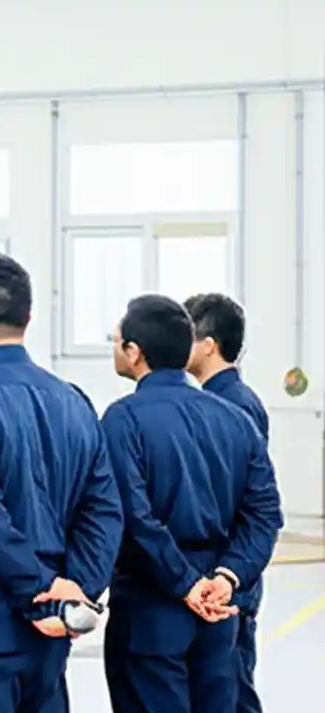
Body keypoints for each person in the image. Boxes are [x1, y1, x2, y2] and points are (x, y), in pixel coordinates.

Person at [0, 253, 123, 713]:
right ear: (28, 318)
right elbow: (104, 511)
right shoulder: (73, 400)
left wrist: (39, 588)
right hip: (52, 630)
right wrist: (73, 593)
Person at [101, 294, 283, 713]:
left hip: (151, 610)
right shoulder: (234, 419)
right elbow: (264, 513)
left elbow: (135, 517)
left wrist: (184, 583)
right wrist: (228, 577)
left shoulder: (123, 419)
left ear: (134, 352)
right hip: (219, 616)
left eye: (115, 341)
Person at [183, 292, 272, 713]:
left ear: (208, 344)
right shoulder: (230, 399)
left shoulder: (230, 406)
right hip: (225, 578)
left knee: (233, 694)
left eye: (187, 333)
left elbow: (239, 503)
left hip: (227, 580)